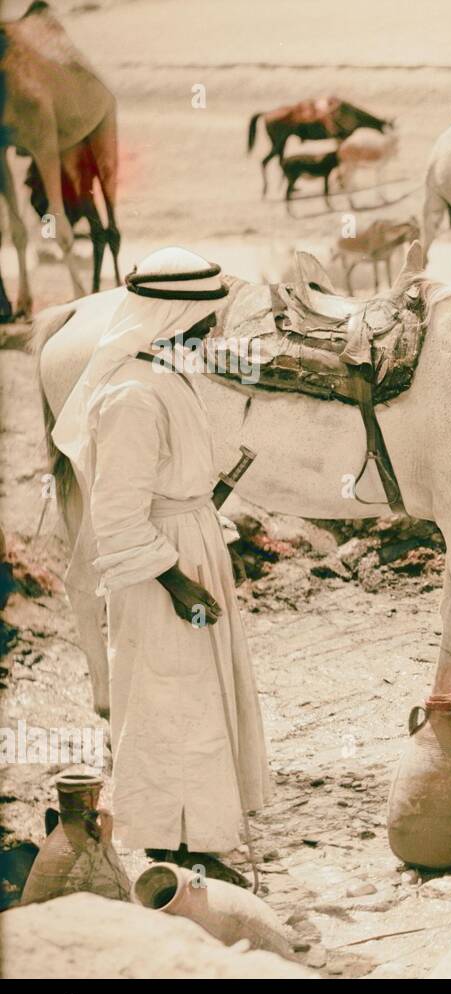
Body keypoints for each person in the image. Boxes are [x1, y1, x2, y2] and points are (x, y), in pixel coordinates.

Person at [52, 246, 270, 886]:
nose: (213, 333)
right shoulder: (129, 397)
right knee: (167, 698)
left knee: (196, 697)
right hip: (156, 572)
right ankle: (171, 848)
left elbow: (164, 485)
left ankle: (197, 840)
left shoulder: (166, 377)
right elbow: (117, 516)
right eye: (206, 323)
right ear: (174, 317)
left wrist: (205, 501)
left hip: (186, 542)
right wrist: (177, 582)